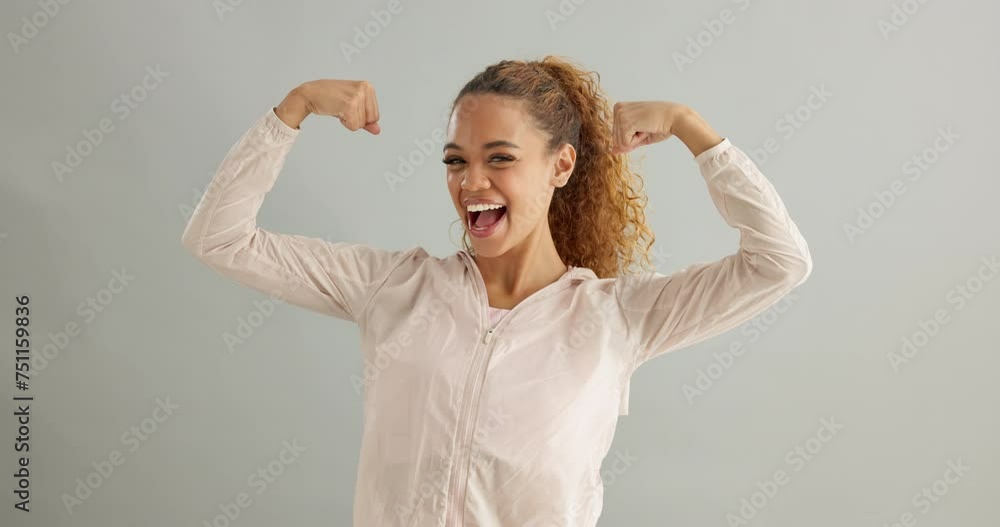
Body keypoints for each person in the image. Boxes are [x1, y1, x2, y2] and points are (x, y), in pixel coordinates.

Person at [180, 55, 812, 527]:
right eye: (455, 160)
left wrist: (692, 129)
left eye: (500, 158)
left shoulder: (617, 317)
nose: (470, 181)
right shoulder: (393, 287)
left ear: (561, 166)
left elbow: (778, 262)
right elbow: (220, 239)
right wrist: (293, 108)